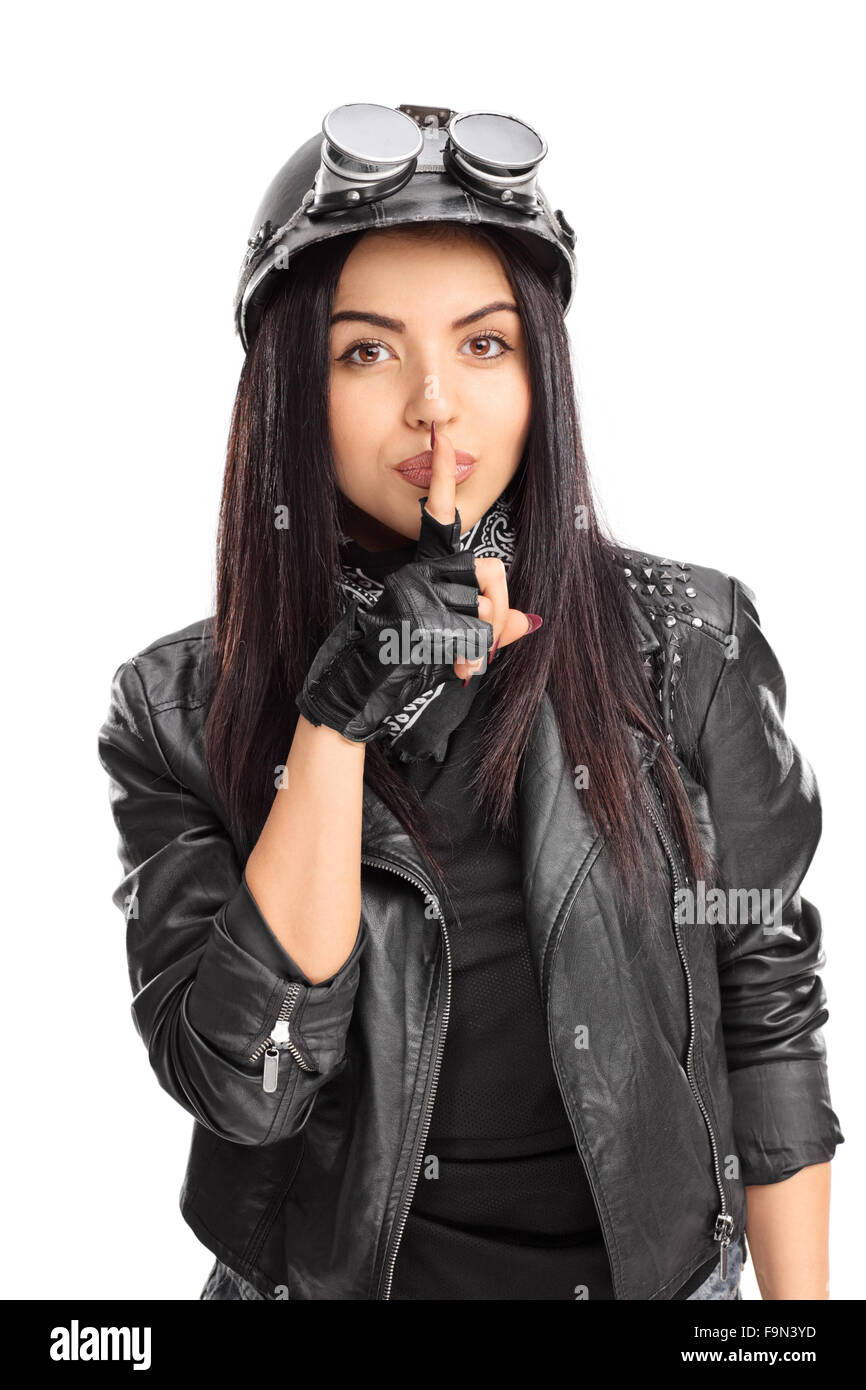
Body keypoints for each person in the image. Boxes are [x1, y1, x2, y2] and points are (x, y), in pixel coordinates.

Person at [97, 103, 843, 1301]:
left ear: (538, 370)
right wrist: (335, 716)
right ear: (293, 386)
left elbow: (765, 1002)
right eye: (368, 351)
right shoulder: (178, 708)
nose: (435, 404)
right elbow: (248, 1082)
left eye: (484, 346)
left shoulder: (690, 644)